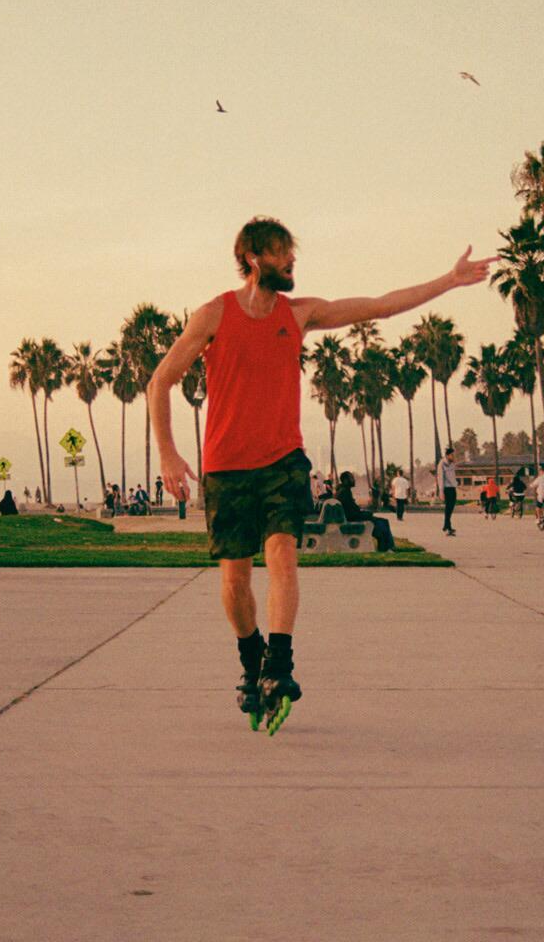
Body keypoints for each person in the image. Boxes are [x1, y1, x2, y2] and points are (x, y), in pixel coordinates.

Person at [148, 216, 494, 734]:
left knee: (283, 555)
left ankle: (279, 666)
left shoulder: (300, 313)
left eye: (292, 252)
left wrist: (448, 280)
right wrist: (168, 455)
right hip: (226, 466)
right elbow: (160, 381)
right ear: (253, 259)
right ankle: (251, 662)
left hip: (283, 460)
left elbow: (378, 305)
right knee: (235, 579)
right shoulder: (214, 314)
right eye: (282, 252)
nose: (292, 260)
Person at [336, 471, 395, 552]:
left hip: (351, 518)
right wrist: (365, 514)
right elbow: (352, 513)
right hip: (353, 519)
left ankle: (386, 547)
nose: (354, 480)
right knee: (382, 523)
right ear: (346, 480)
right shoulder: (344, 492)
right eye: (351, 478)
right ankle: (386, 548)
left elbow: (352, 509)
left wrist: (364, 512)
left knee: (383, 522)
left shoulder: (343, 491)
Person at [438, 446, 459, 536]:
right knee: (448, 508)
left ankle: (446, 526)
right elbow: (440, 478)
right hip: (446, 488)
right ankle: (447, 527)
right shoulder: (442, 464)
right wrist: (441, 491)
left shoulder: (452, 464)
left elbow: (453, 476)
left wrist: (456, 484)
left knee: (451, 507)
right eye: (452, 455)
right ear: (447, 455)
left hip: (452, 487)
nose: (454, 457)